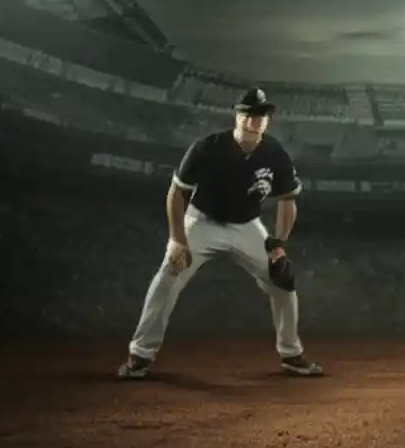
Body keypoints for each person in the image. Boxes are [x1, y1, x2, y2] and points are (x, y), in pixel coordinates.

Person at [116, 88, 323, 379]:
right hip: (202, 222)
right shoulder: (207, 147)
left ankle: (291, 354)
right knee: (169, 274)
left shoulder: (274, 152)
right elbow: (177, 193)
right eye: (249, 113)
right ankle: (140, 354)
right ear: (237, 115)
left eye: (262, 114)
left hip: (247, 226)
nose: (256, 119)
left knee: (283, 281)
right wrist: (177, 239)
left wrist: (278, 244)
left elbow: (288, 200)